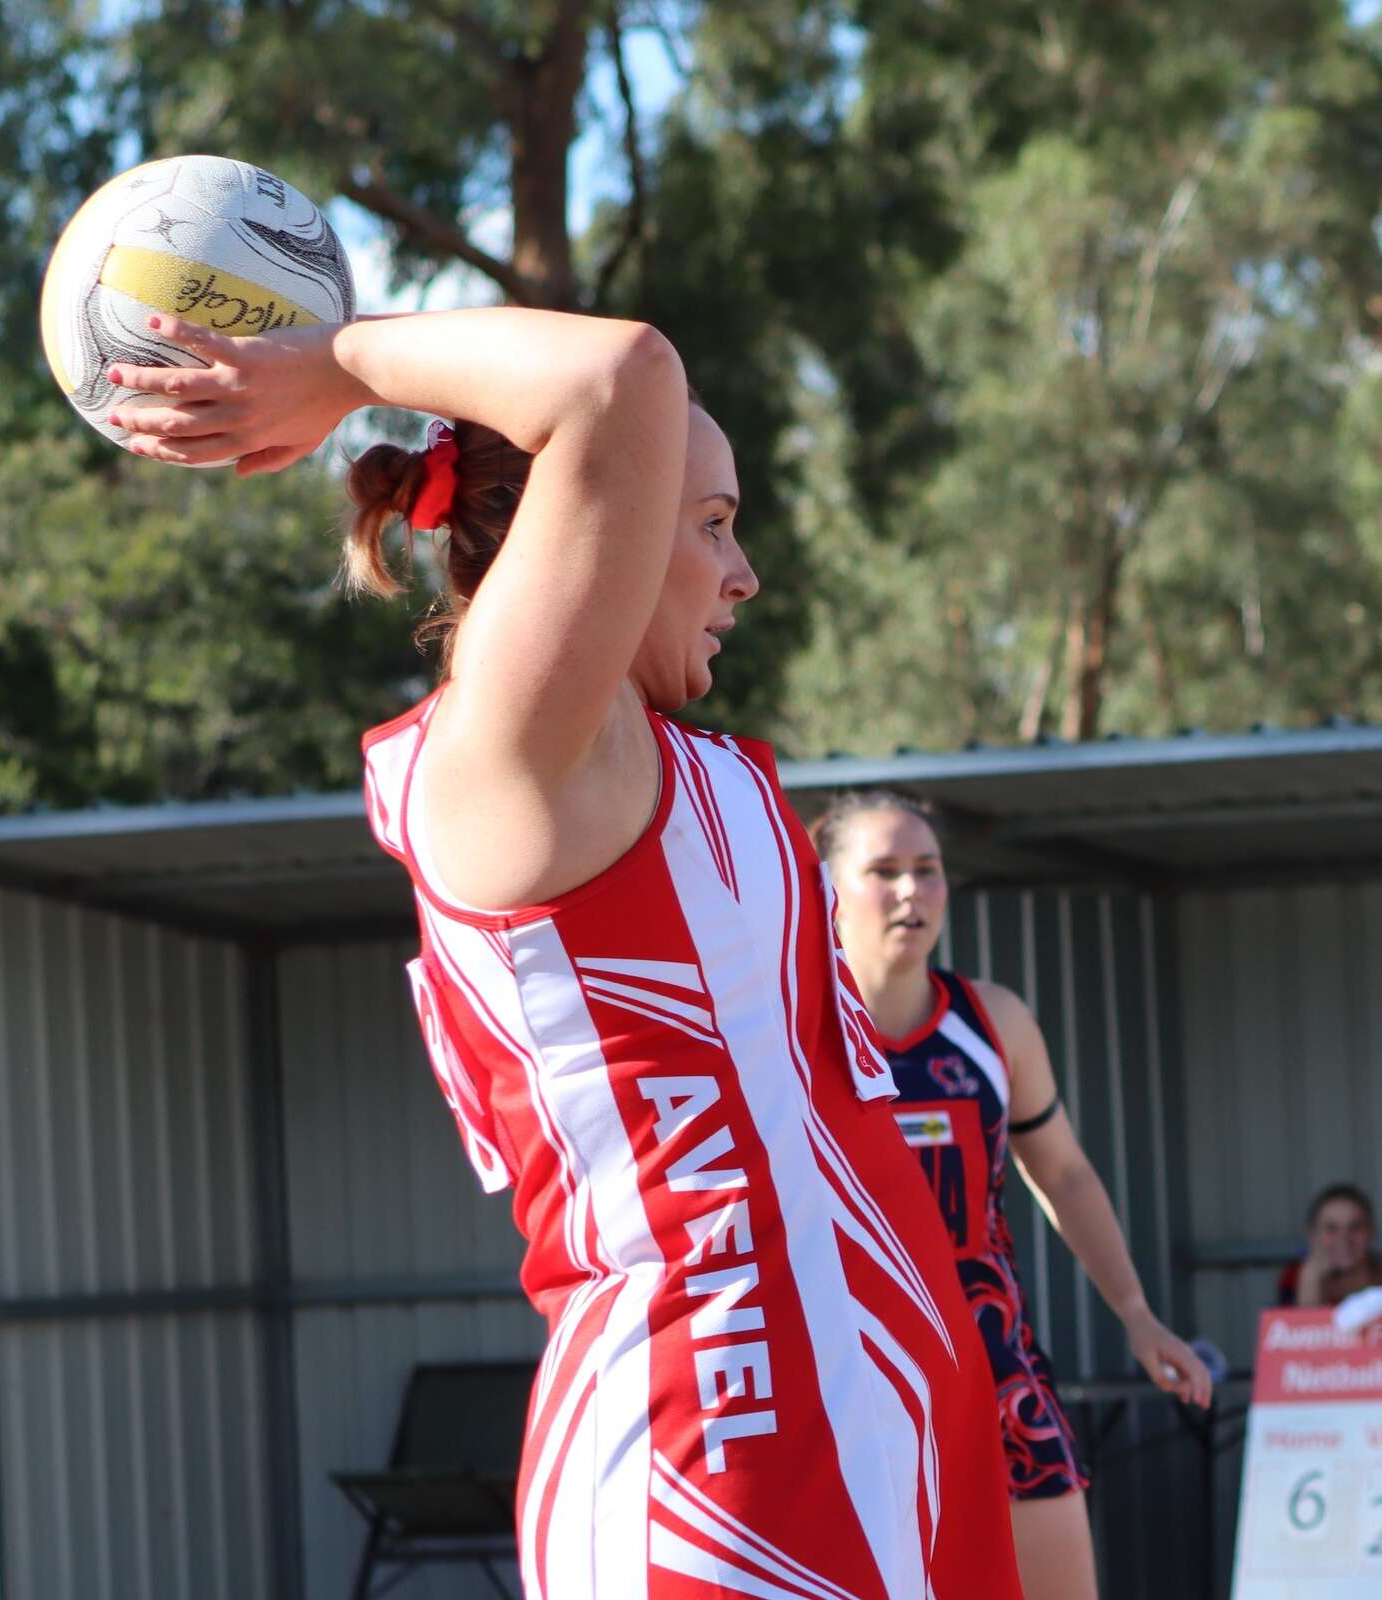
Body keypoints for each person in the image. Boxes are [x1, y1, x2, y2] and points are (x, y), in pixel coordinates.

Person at [105, 307, 1023, 1598]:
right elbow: (617, 373)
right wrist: (335, 370)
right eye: (708, 522)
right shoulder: (517, 758)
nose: (742, 570)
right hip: (718, 1460)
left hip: (868, 1434)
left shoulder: (679, 769)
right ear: (596, 528)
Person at [814, 789, 1211, 1600]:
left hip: (991, 1362)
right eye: (882, 871)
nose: (909, 892)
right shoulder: (793, 1025)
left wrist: (1136, 1313)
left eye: (926, 872)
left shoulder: (993, 1021)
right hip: (847, 1368)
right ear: (826, 890)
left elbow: (1060, 1170)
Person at [1277, 1183, 1382, 1307]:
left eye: (1355, 1227)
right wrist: (1310, 1281)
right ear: (1313, 1235)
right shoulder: (1294, 1277)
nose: (1343, 1239)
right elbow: (1291, 1325)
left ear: (1371, 1232)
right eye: (1331, 1229)